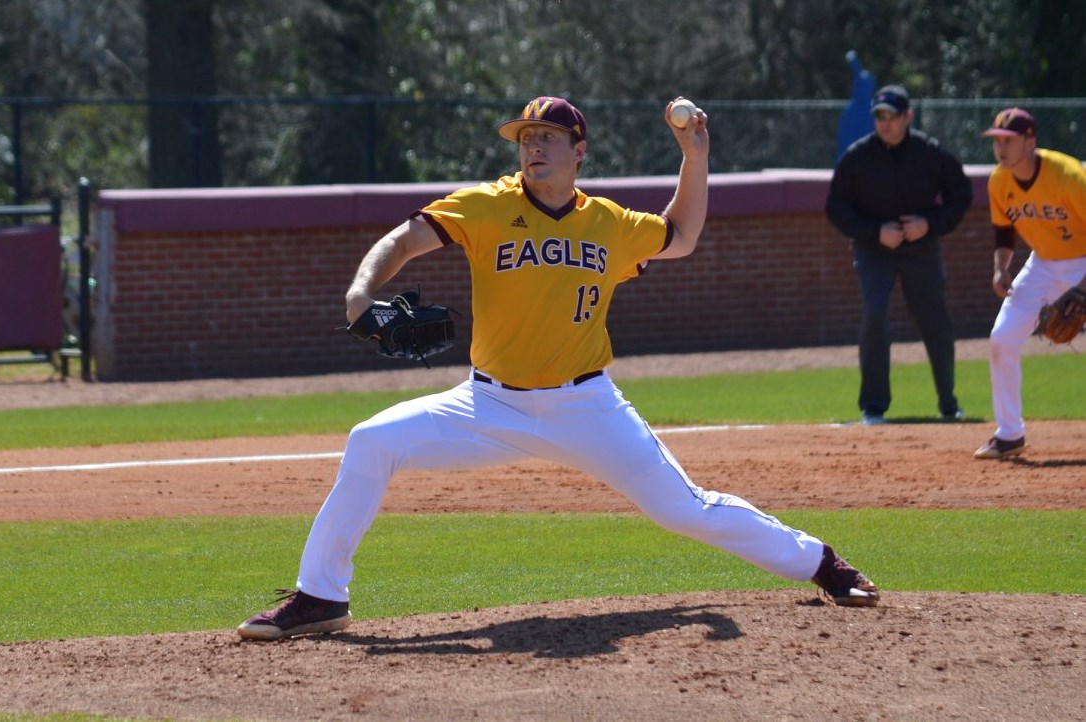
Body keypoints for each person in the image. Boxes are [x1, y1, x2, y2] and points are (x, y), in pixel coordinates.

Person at [237, 96, 880, 641]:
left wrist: (695, 156)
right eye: (524, 138)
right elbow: (403, 239)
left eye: (546, 137)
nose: (532, 147)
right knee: (371, 441)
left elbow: (680, 236)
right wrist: (361, 291)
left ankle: (821, 564)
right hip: (487, 405)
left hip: (587, 405)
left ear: (579, 152)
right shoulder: (484, 205)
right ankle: (322, 598)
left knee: (686, 510)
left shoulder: (607, 223)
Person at [826, 84, 973, 426]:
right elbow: (836, 208)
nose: (885, 123)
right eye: (879, 116)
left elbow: (961, 194)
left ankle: (949, 404)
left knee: (934, 320)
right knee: (875, 313)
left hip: (921, 248)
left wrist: (930, 223)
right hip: (874, 249)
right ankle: (873, 407)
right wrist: (875, 231)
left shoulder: (931, 153)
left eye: (892, 116)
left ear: (908, 116)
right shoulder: (857, 157)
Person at [973, 108, 1086, 459]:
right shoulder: (999, 181)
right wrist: (1000, 269)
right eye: (997, 141)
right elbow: (1004, 230)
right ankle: (1009, 434)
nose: (1002, 148)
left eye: (1009, 140)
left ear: (1031, 142)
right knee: (1002, 338)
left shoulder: (1068, 175)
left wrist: (1082, 290)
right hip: (1042, 265)